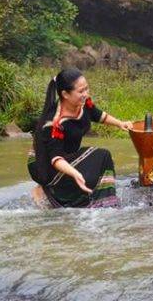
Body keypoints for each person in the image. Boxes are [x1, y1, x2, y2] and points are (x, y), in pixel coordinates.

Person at [27, 68, 133, 208]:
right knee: (102, 157)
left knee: (96, 165)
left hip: (67, 156)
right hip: (45, 165)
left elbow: (97, 115)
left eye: (86, 89)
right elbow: (56, 158)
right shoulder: (55, 123)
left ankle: (103, 203)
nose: (86, 94)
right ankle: (50, 190)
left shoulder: (82, 103)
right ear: (65, 94)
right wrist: (75, 173)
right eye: (81, 91)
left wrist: (120, 124)